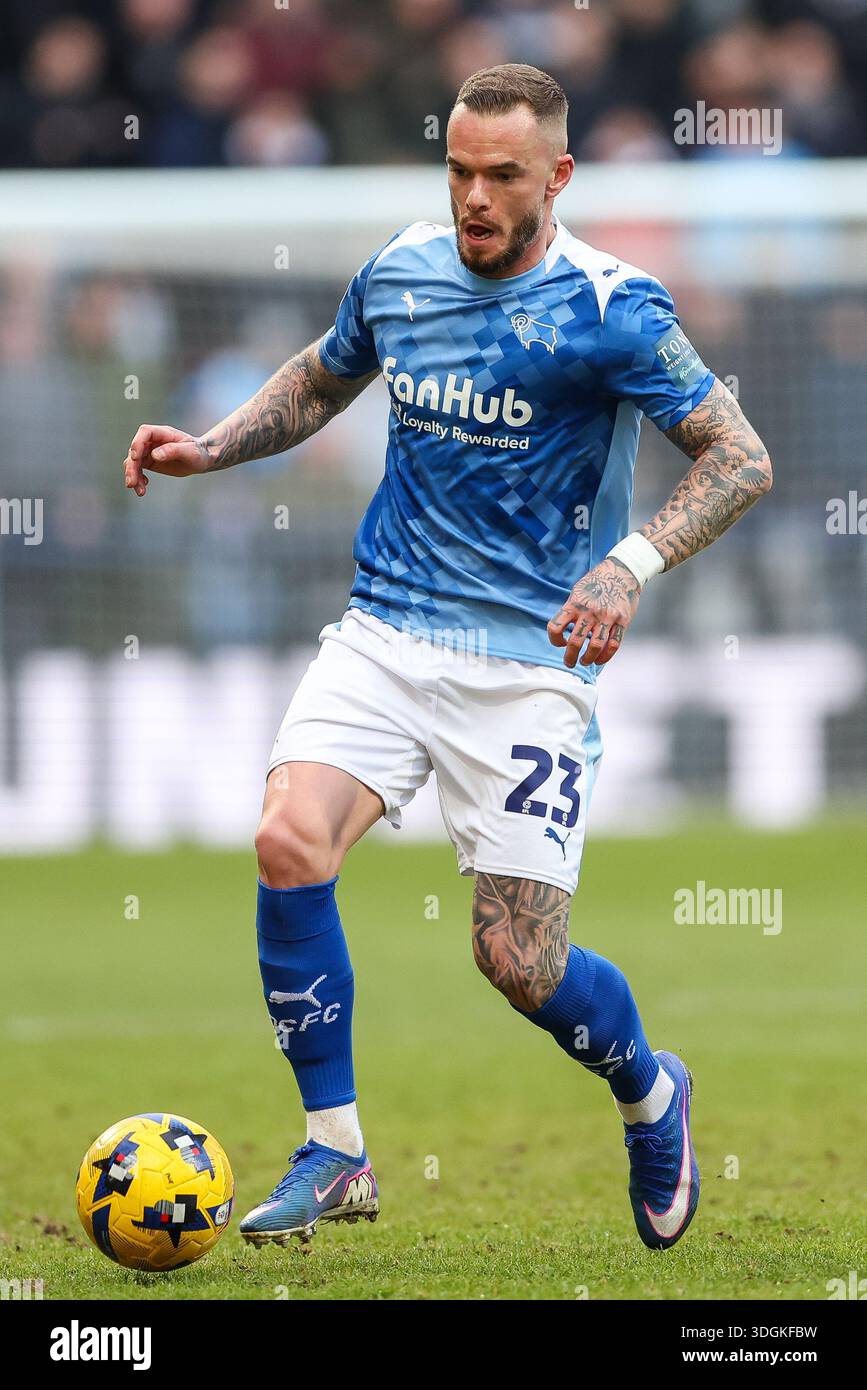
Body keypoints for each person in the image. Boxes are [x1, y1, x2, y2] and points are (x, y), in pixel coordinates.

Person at [124, 63, 772, 1250]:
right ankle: (339, 1152)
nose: (475, 198)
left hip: (527, 661)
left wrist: (629, 562)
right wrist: (212, 448)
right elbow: (329, 372)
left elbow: (739, 457)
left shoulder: (613, 308)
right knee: (285, 839)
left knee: (517, 962)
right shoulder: (402, 269)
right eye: (461, 171)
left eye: (503, 177)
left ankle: (651, 1091)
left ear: (558, 177)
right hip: (385, 626)